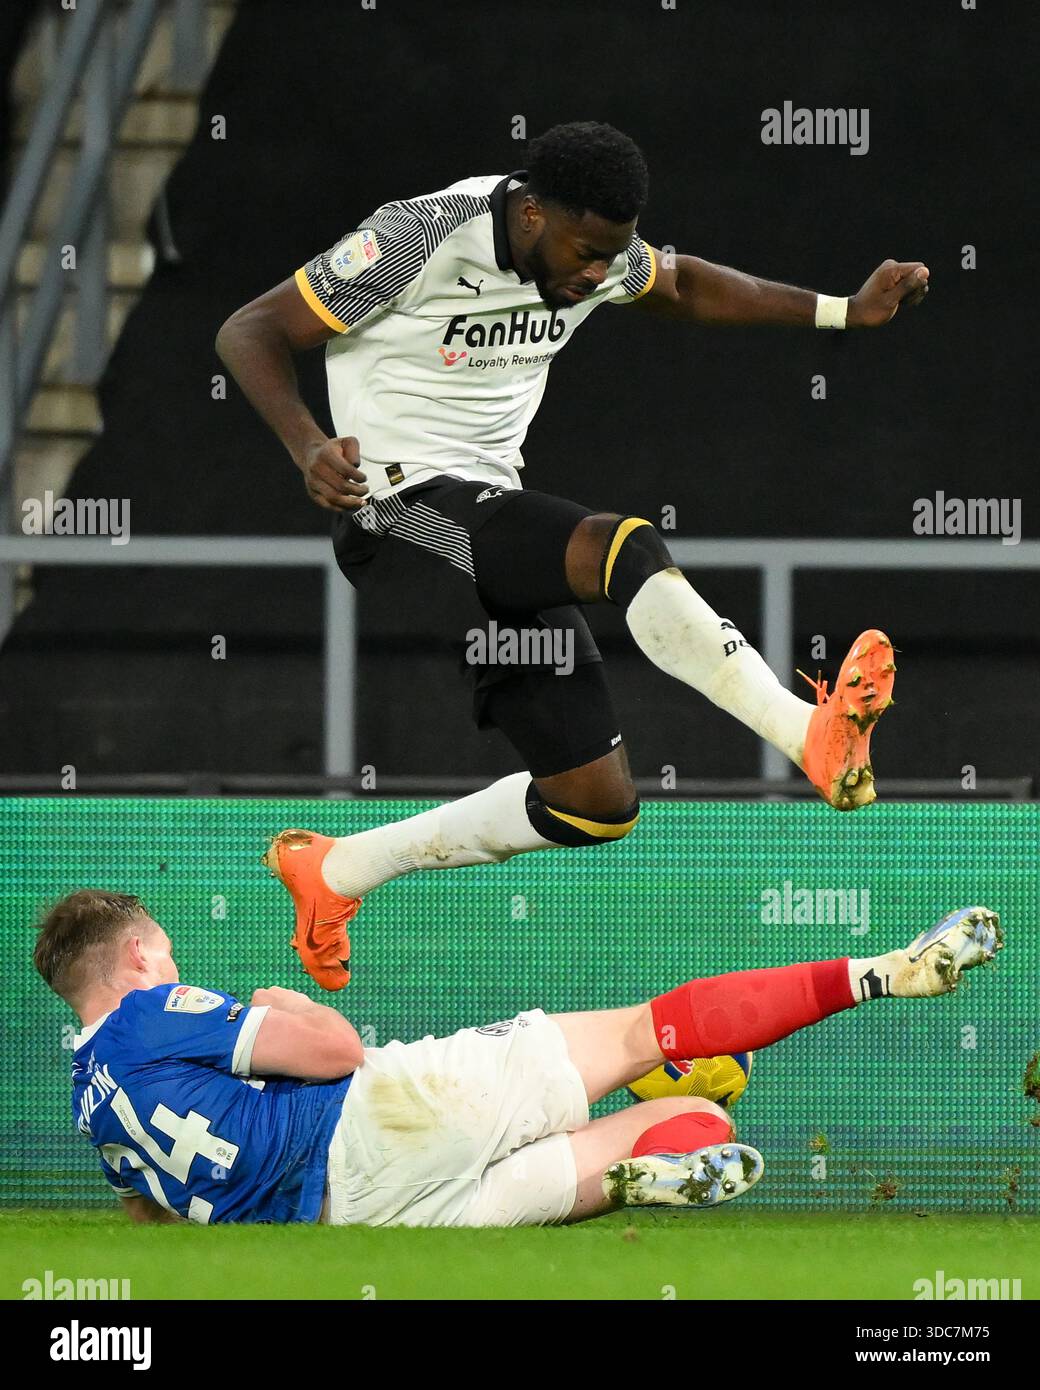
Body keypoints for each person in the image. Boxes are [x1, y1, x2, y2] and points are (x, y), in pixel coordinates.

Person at [217, 120, 926, 989]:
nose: (600, 273)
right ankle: (801, 733)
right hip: (395, 514)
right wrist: (306, 445)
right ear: (531, 218)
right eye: (587, 251)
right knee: (622, 545)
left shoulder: (596, 251)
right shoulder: (418, 236)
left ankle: (335, 871)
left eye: (612, 256)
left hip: (489, 520)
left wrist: (842, 311)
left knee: (594, 805)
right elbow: (249, 329)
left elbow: (687, 284)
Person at [35, 889, 1000, 1227]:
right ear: (135, 958)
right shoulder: (151, 1008)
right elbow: (331, 1051)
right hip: (379, 1120)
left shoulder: (91, 1101)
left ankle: (640, 1176)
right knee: (637, 1030)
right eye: (163, 952)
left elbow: (147, 1208)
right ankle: (885, 971)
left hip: (369, 1225)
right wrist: (282, 1001)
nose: (173, 965)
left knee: (705, 1125)